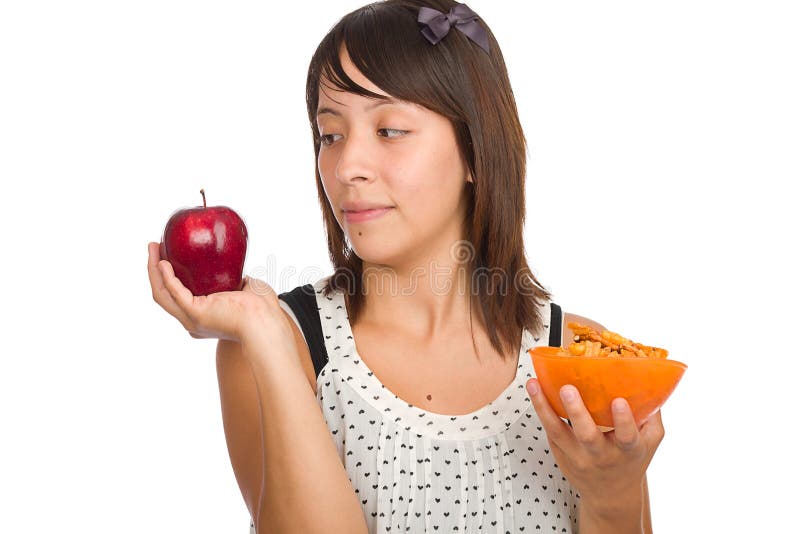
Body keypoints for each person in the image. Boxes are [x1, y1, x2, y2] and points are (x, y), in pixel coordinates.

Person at [147, 1, 663, 532]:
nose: (347, 167)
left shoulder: (581, 358)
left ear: (474, 150)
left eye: (390, 130)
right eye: (330, 135)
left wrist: (614, 494)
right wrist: (265, 334)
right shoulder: (276, 346)